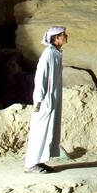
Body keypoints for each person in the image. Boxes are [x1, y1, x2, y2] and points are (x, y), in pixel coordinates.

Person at [24, 26, 68, 173]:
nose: (66, 36)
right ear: (56, 38)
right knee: (40, 130)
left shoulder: (55, 53)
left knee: (47, 130)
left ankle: (40, 161)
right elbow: (41, 76)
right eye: (63, 35)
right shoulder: (48, 54)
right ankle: (31, 164)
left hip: (51, 98)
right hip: (45, 100)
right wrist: (38, 99)